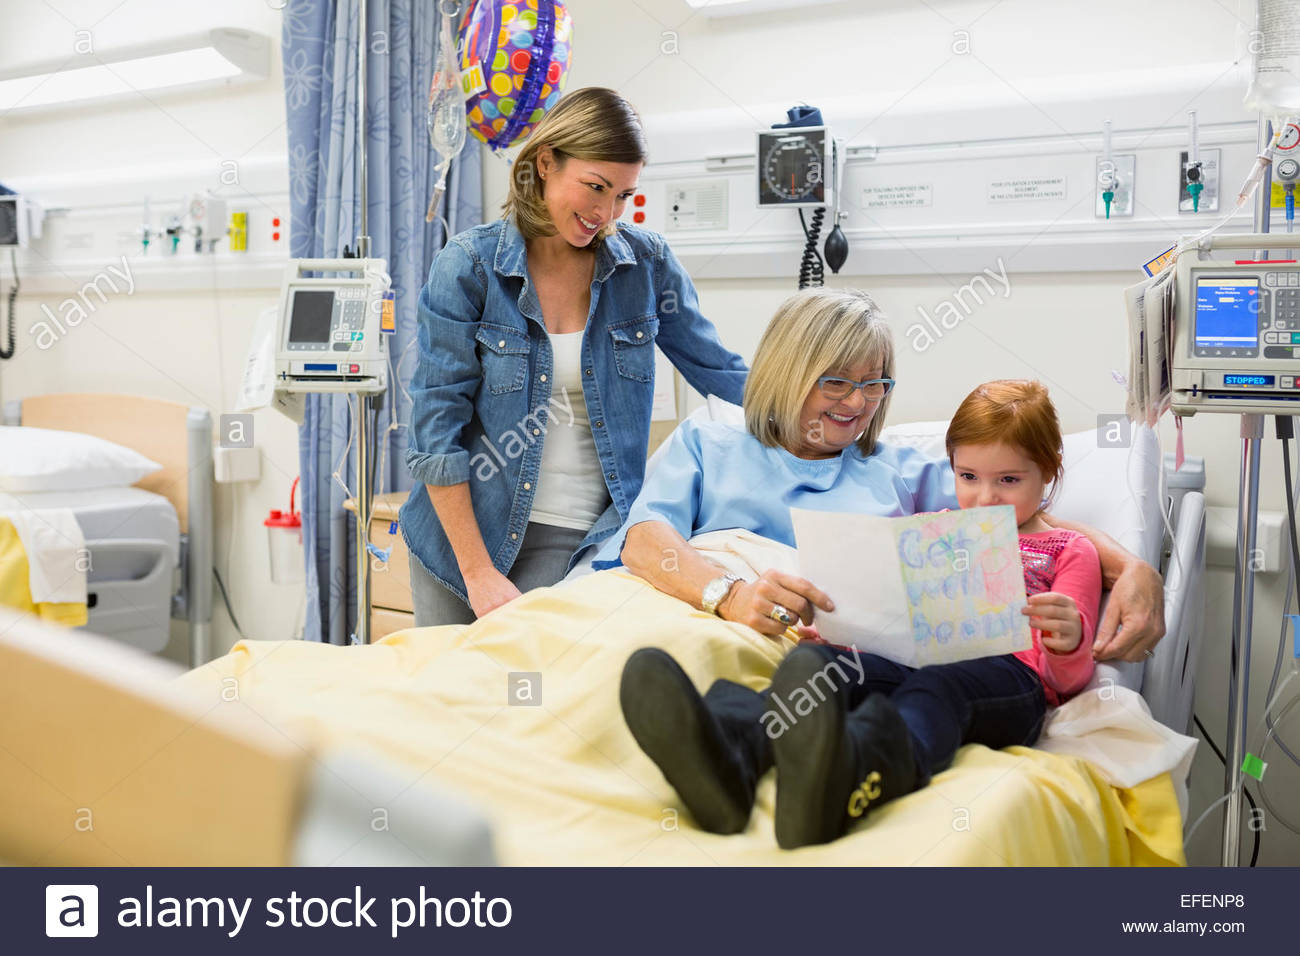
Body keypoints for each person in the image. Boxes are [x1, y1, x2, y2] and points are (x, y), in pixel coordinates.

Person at [587, 286, 1165, 840]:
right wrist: (732, 594)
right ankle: (723, 751)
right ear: (787, 372)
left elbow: (1022, 518)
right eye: (838, 381)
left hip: (868, 654)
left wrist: (1135, 568)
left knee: (835, 673)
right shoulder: (708, 442)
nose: (860, 401)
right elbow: (644, 540)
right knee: (804, 672)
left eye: (875, 383)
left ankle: (820, 765)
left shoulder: (902, 472)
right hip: (704, 609)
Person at [620, 378, 1104, 848]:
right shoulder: (935, 530)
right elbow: (893, 616)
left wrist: (1069, 640)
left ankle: (856, 773)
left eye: (1009, 481)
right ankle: (727, 752)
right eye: (968, 477)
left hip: (1010, 682)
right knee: (826, 672)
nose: (984, 497)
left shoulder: (1069, 550)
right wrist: (839, 635)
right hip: (919, 660)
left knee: (939, 689)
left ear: (1049, 472)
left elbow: (1068, 679)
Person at [401, 88, 747, 625]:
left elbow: (722, 372)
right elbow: (435, 431)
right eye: (595, 187)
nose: (605, 213)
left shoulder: (645, 267)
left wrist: (828, 415)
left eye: (624, 195)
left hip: (583, 538)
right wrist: (477, 573)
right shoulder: (470, 267)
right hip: (462, 540)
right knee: (450, 701)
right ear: (545, 163)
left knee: (536, 695)